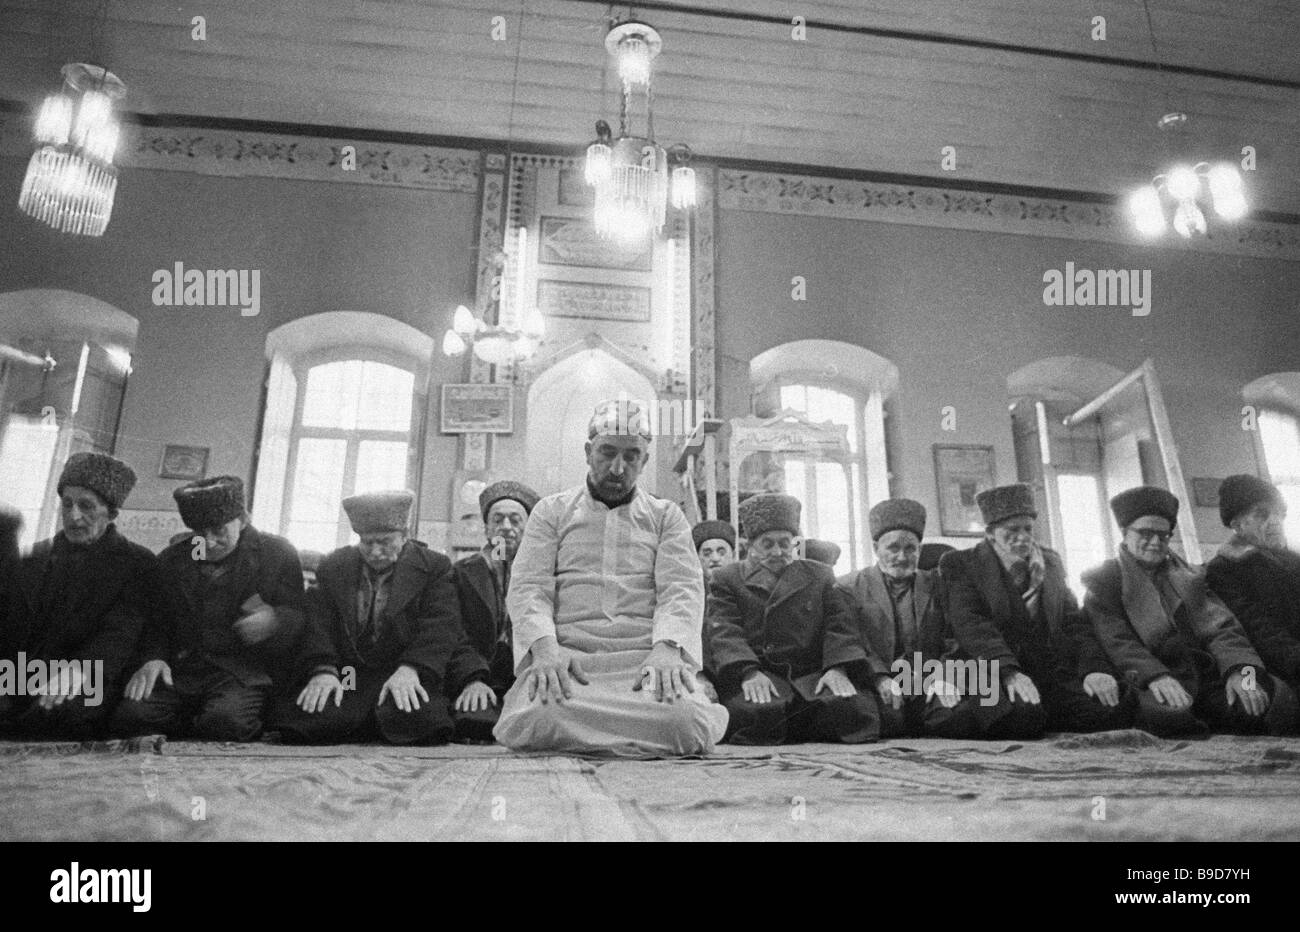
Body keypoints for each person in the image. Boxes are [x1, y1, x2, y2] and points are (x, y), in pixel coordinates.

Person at [491, 399, 728, 756]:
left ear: (645, 460)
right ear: (588, 452)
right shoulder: (551, 512)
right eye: (607, 452)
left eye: (631, 455)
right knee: (540, 717)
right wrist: (545, 650)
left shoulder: (666, 516)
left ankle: (589, 737)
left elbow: (680, 589)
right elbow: (529, 588)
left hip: (644, 657)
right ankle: (633, 738)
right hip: (569, 656)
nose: (618, 468)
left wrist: (666, 651)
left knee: (686, 724)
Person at [1082, 485, 1296, 736]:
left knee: (1257, 703)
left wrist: (1241, 672)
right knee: (1171, 718)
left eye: (1163, 536)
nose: (1155, 543)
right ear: (1124, 533)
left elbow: (1224, 630)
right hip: (1150, 677)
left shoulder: (1191, 576)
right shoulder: (1103, 581)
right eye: (1145, 533)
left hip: (1208, 675)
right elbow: (1118, 641)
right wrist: (1155, 676)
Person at [112, 476, 304, 742]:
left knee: (226, 722)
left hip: (241, 672)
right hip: (183, 670)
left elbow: (300, 615)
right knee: (130, 717)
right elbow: (156, 622)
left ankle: (208, 720)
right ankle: (197, 720)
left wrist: (274, 621)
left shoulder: (277, 554)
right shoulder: (172, 560)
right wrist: (153, 658)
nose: (209, 542)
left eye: (219, 530)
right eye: (199, 533)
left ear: (244, 519)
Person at [941, 483, 1134, 739]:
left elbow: (1073, 623)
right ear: (990, 533)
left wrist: (1093, 669)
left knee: (1111, 710)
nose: (1022, 537)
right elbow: (972, 626)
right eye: (1012, 530)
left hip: (1048, 668)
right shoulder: (962, 564)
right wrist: (1009, 672)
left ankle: (1047, 709)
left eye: (1027, 528)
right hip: (989, 669)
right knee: (1023, 718)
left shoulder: (1050, 562)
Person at [271, 490, 463, 745]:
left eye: (384, 541)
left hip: (402, 670)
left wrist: (411, 669)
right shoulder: (334, 565)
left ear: (405, 536)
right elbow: (318, 624)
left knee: (426, 723)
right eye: (367, 542)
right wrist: (323, 671)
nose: (374, 551)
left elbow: (440, 626)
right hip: (350, 674)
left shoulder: (434, 567)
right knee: (304, 721)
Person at [0, 453, 160, 740]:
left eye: (86, 506)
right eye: (67, 504)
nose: (74, 516)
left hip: (93, 674)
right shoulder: (38, 557)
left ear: (111, 514)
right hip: (29, 670)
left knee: (55, 716)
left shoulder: (137, 563)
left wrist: (80, 670)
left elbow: (121, 631)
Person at [707, 492, 877, 744]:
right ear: (750, 545)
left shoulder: (820, 574)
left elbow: (840, 625)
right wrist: (748, 673)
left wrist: (836, 668)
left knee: (855, 708)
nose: (777, 552)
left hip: (813, 674)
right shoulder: (727, 578)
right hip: (761, 671)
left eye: (784, 543)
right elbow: (725, 631)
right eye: (767, 544)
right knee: (757, 712)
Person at [837, 498, 979, 738]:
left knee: (956, 716)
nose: (902, 557)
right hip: (877, 683)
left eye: (910, 548)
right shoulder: (848, 587)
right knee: (880, 720)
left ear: (919, 550)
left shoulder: (939, 584)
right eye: (893, 548)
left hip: (929, 682)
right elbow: (852, 641)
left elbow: (955, 636)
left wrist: (944, 676)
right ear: (876, 548)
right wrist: (880, 678)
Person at [447, 480, 540, 742]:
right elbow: (455, 632)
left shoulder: (544, 572)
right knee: (473, 721)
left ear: (528, 527)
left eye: (515, 520)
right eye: (498, 520)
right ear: (487, 528)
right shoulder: (463, 572)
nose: (506, 528)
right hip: (481, 671)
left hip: (526, 671)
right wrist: (471, 679)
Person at [1205, 475, 1300, 699]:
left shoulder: (1293, 560)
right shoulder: (1224, 569)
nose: (1275, 520)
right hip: (1273, 668)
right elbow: (1256, 628)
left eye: (1279, 513)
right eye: (1262, 514)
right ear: (1237, 524)